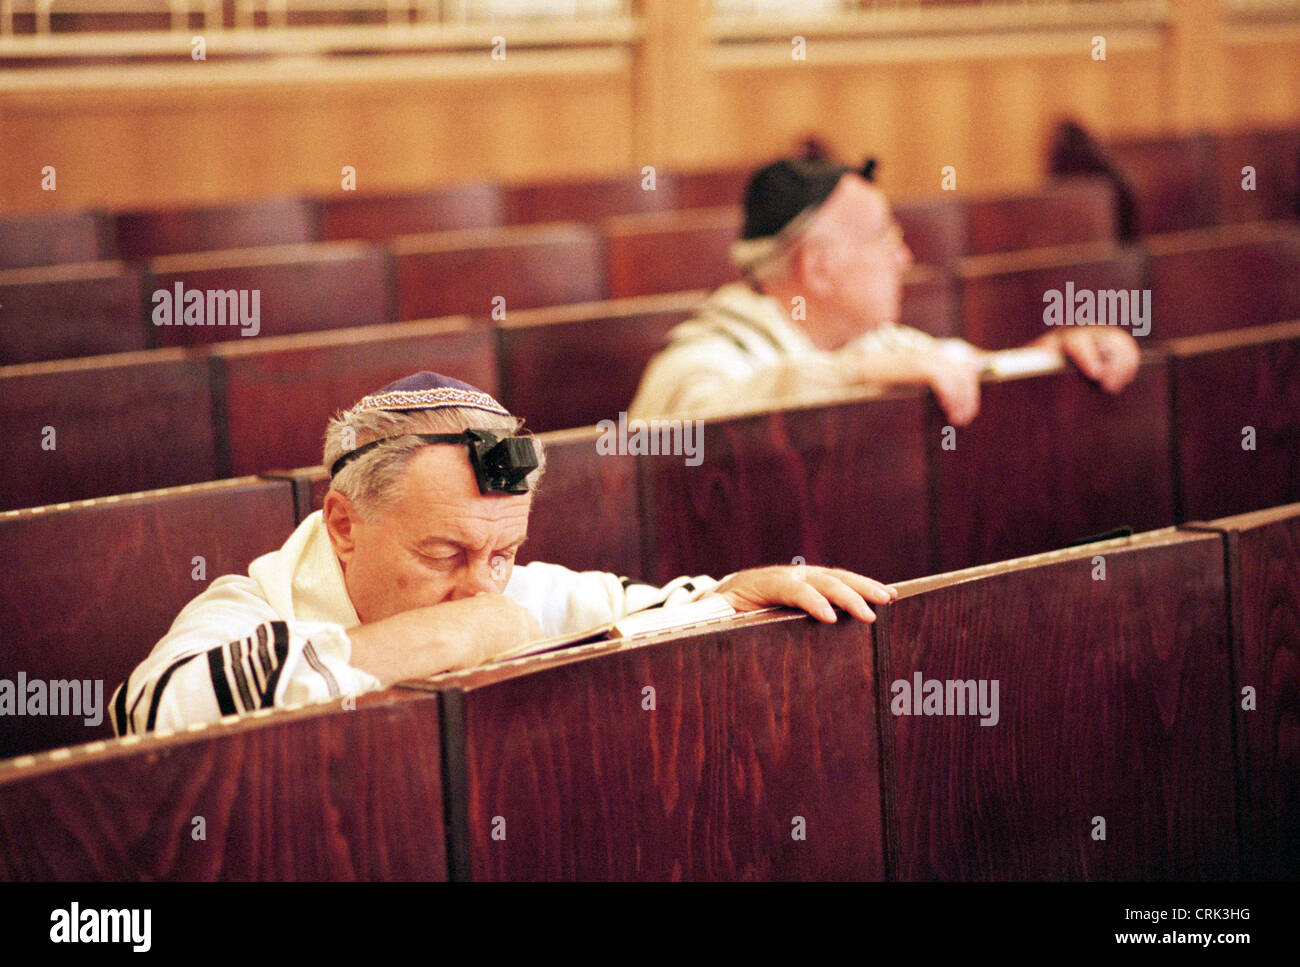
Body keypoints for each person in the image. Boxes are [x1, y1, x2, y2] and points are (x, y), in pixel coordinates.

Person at [110, 372, 896, 737]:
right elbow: (144, 717)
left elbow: (656, 614)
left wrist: (739, 591)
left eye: (503, 553)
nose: (480, 587)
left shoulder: (517, 586)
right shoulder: (246, 608)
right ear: (344, 525)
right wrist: (459, 636)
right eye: (444, 551)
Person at [629, 155, 1141, 425]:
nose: (905, 257)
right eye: (886, 239)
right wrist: (855, 375)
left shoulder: (876, 343)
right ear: (819, 267)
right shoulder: (698, 356)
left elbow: (971, 372)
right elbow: (697, 426)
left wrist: (1062, 354)